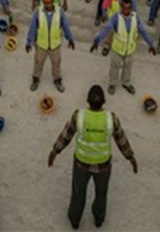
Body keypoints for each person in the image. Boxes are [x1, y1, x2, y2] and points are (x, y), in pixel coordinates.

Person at [47, 84, 137, 230]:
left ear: (87, 101)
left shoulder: (79, 116)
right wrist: (130, 157)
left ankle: (75, 220)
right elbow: (122, 140)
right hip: (103, 166)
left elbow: (66, 136)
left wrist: (54, 152)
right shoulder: (111, 118)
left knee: (78, 192)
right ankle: (98, 219)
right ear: (104, 102)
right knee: (101, 193)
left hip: (81, 164)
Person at [92, 0, 156, 95]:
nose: (126, 10)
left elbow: (143, 30)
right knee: (114, 67)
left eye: (128, 8)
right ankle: (112, 84)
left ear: (131, 8)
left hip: (129, 50)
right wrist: (97, 41)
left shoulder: (136, 17)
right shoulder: (116, 18)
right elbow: (106, 29)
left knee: (128, 67)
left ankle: (126, 83)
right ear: (121, 7)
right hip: (117, 49)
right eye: (124, 8)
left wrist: (150, 43)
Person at [26, 0, 75, 92]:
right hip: (41, 45)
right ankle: (35, 79)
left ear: (53, 1)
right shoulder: (38, 12)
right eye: (46, 3)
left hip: (55, 45)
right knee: (38, 62)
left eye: (50, 3)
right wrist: (29, 42)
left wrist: (70, 38)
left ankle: (57, 80)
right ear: (43, 2)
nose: (48, 5)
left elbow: (65, 26)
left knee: (56, 62)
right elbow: (33, 28)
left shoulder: (60, 12)